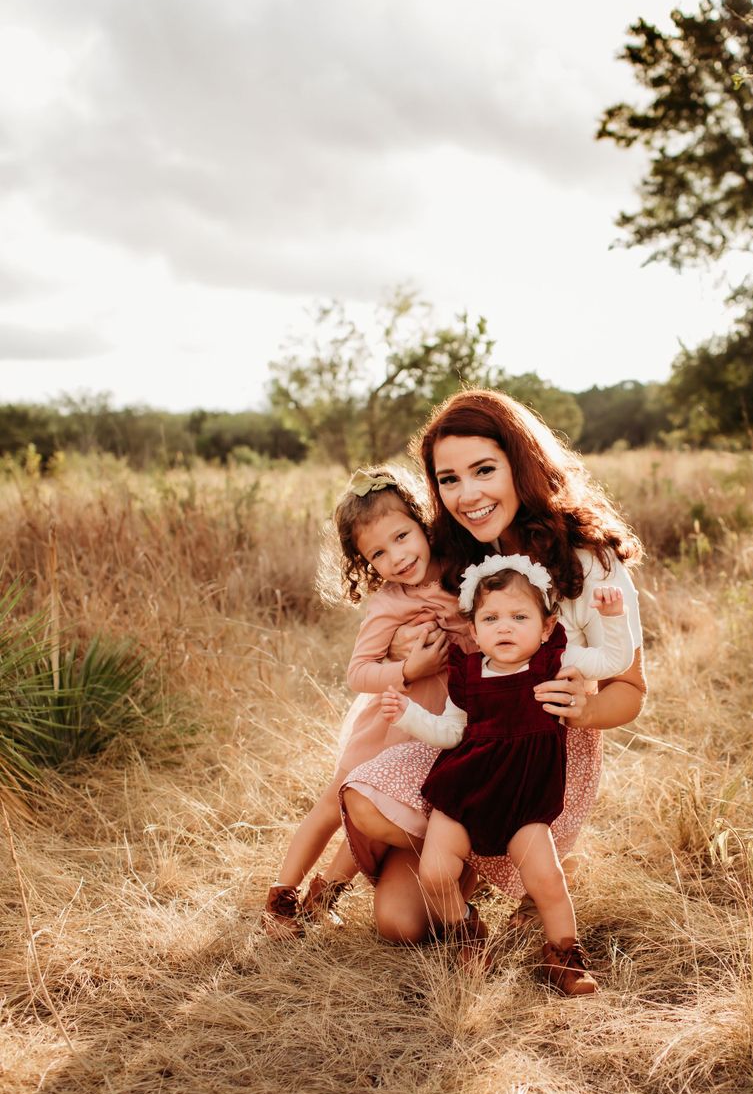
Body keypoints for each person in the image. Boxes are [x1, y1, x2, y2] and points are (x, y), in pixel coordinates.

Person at [341, 389, 645, 949]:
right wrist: (406, 655)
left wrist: (585, 708)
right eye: (449, 479)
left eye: (484, 469)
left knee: (404, 916)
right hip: (463, 740)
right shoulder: (453, 556)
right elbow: (393, 633)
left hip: (539, 755)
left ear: (520, 464)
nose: (467, 494)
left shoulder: (585, 561)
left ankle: (529, 866)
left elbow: (629, 689)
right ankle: (469, 857)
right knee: (399, 919)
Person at [382, 555, 634, 995]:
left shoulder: (555, 660)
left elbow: (614, 660)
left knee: (548, 879)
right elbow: (449, 733)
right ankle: (467, 933)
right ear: (474, 630)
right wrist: (409, 715)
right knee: (436, 872)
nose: (504, 627)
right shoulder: (467, 676)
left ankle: (564, 955)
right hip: (463, 793)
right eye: (491, 618)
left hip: (525, 799)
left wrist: (614, 617)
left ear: (544, 625)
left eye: (519, 616)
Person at [261, 465, 471, 937]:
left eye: (402, 537)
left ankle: (325, 895)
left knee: (389, 813)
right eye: (378, 552)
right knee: (334, 805)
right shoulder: (389, 604)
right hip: (389, 725)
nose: (396, 557)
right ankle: (281, 897)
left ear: (423, 523)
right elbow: (359, 672)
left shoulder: (464, 578)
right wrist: (407, 670)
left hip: (439, 727)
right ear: (364, 562)